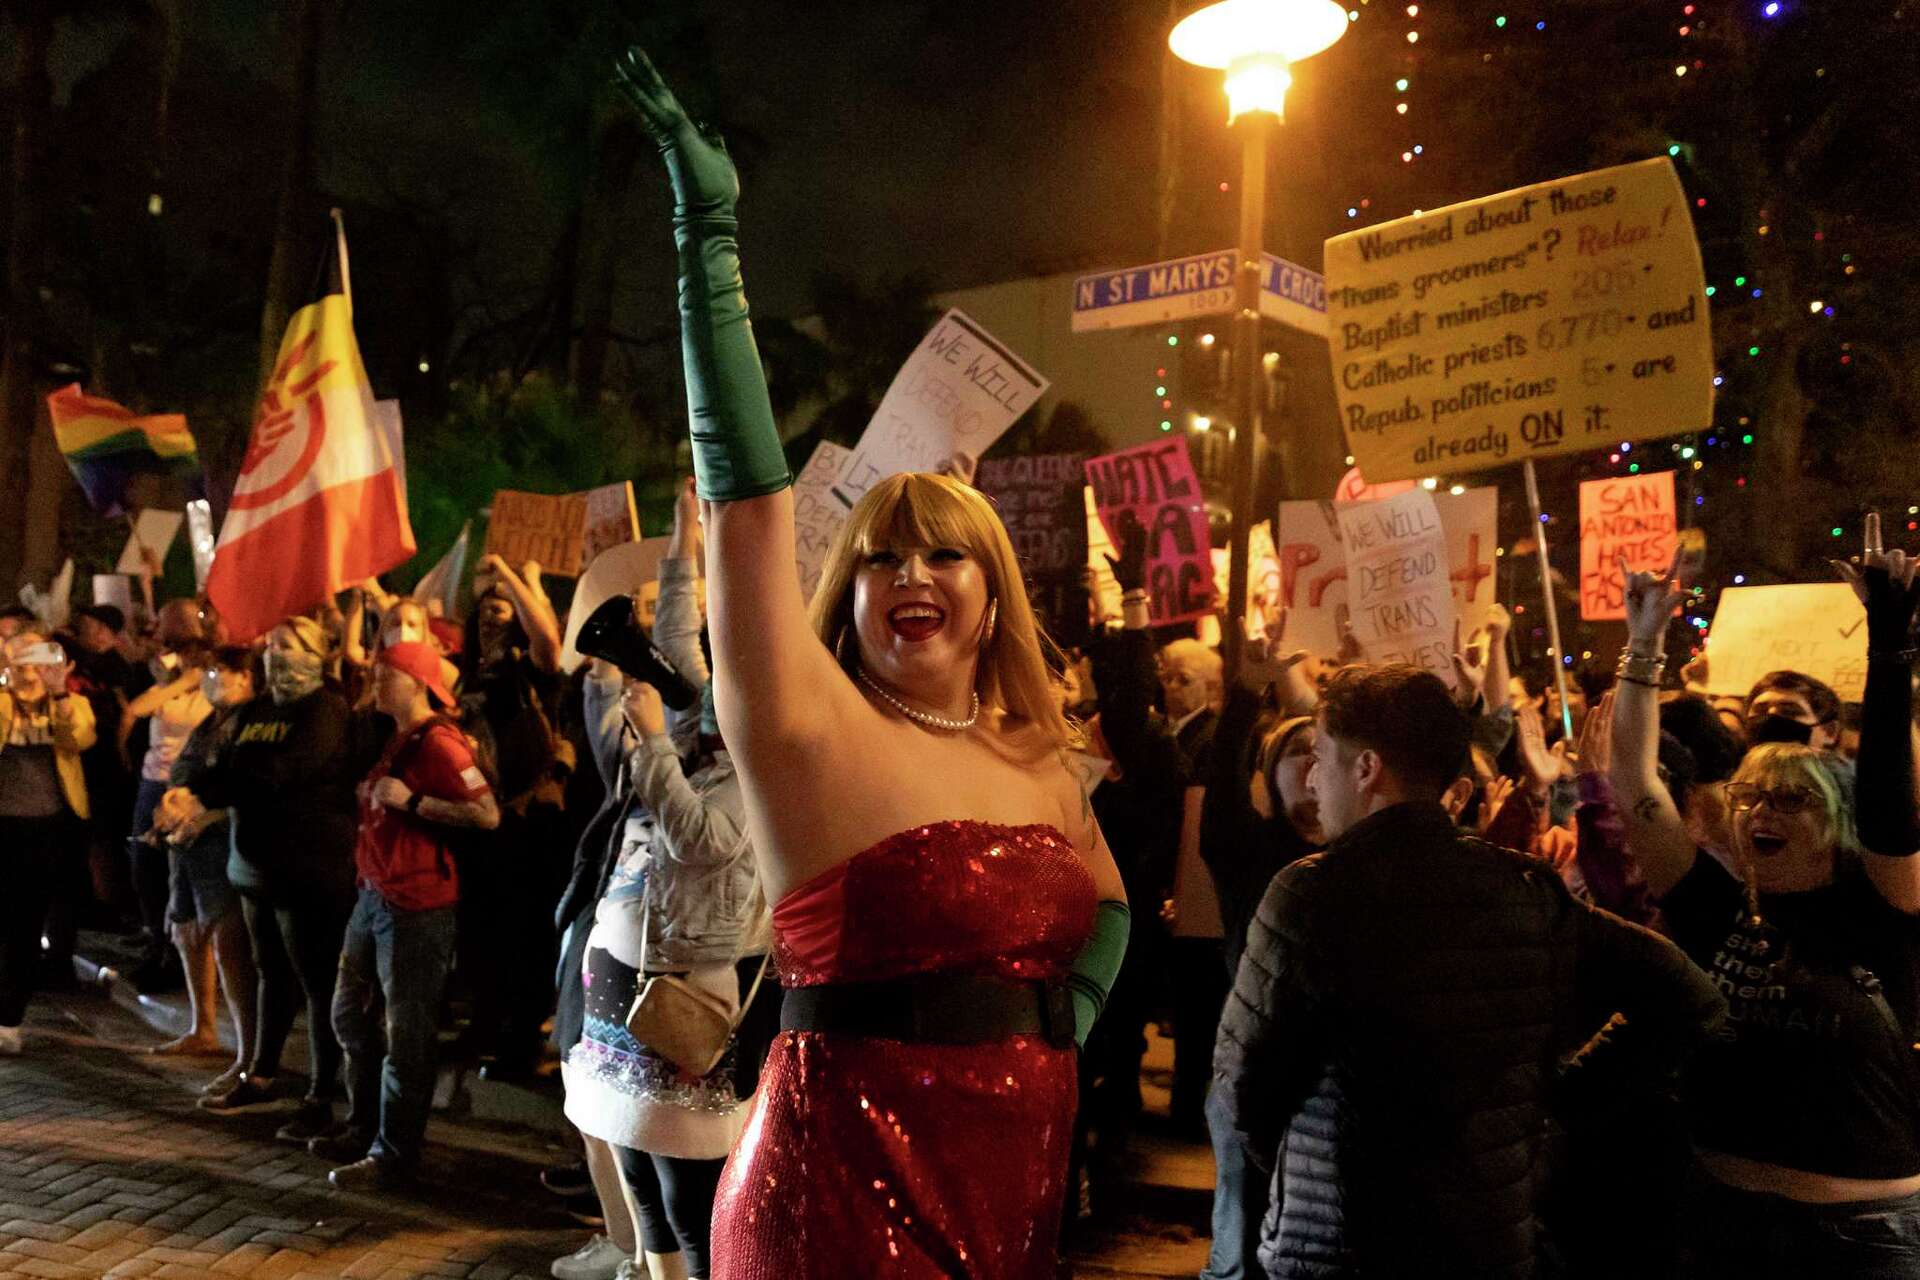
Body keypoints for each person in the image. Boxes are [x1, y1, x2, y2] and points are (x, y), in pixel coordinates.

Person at [617, 47, 1129, 1278]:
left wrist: (1066, 1021)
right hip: (837, 1195)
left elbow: (1104, 904)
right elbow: (746, 504)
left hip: (1012, 1176)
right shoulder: (808, 733)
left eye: (944, 556)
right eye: (880, 556)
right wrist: (711, 237)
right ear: (841, 593)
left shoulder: (1041, 756)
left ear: (993, 593)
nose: (910, 575)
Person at [1213, 663, 1727, 1278]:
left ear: (1367, 768)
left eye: (1324, 755)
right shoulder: (1523, 888)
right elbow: (1690, 998)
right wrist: (1551, 1106)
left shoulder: (1310, 894)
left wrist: (1312, 1170)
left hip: (1341, 1246)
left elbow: (1244, 1089)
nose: (1316, 778)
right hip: (1486, 1242)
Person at [1611, 527, 1920, 1277]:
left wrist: (1889, 645)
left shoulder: (1881, 906)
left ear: (1836, 820)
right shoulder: (1714, 905)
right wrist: (1643, 642)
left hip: (1861, 1238)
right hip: (1722, 1223)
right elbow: (1633, 785)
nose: (1760, 814)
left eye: (1788, 799)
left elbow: (1886, 802)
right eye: (1748, 796)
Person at [320, 641, 497, 1190]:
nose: (375, 685)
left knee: (407, 1032)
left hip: (415, 907)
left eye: (385, 676)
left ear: (415, 683)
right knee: (349, 1013)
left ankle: (393, 1154)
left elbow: (486, 814)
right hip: (376, 897)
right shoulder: (397, 739)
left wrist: (413, 803)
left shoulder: (440, 743)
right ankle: (366, 1127)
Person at [189, 617, 361, 1143]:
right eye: (273, 644)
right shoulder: (260, 710)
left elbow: (281, 774)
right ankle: (261, 1072)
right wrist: (225, 781)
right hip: (255, 869)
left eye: (289, 646)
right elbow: (211, 767)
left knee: (317, 983)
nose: (275, 653)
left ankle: (320, 1094)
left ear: (316, 654)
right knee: (270, 974)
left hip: (308, 870)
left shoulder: (325, 711)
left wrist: (230, 781)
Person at [144, 647, 261, 1078]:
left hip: (223, 845)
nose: (211, 679)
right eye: (209, 671)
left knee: (229, 945)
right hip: (189, 846)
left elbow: (244, 791)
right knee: (188, 933)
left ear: (248, 679)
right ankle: (203, 1028)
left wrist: (202, 815)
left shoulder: (248, 725)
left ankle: (247, 1054)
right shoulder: (209, 723)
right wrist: (169, 811)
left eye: (221, 672)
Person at [0, 630, 97, 1054]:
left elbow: (80, 740)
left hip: (46, 829)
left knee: (25, 924)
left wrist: (57, 694)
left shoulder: (71, 704)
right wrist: (8, 689)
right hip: (2, 825)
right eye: (20, 655)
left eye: (37, 655)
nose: (30, 666)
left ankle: (9, 1018)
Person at [122, 599, 214, 990]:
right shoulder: (167, 681)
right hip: (153, 781)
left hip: (187, 783)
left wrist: (195, 680)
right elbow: (141, 707)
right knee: (146, 867)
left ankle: (180, 957)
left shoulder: (209, 685)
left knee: (182, 875)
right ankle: (157, 943)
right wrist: (177, 681)